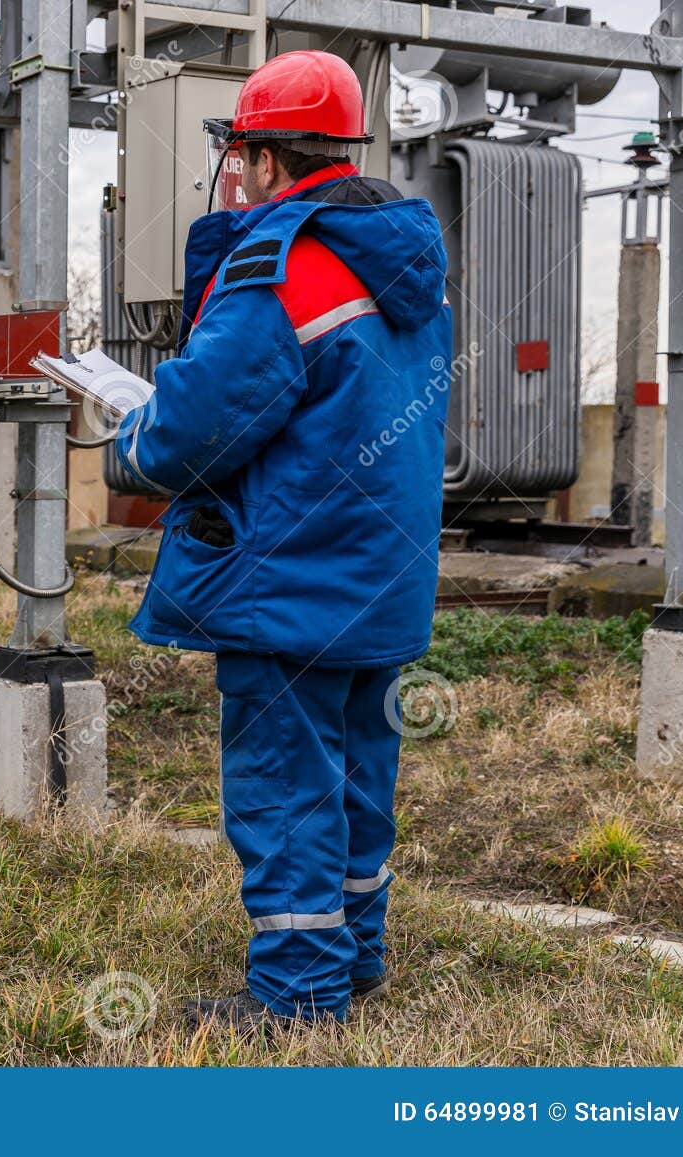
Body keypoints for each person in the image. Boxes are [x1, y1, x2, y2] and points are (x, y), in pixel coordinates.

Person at [113, 50, 452, 1031]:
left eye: (238, 154)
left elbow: (195, 426)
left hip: (293, 575)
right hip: (380, 576)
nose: (234, 174)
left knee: (286, 781)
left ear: (262, 158)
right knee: (358, 772)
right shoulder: (408, 267)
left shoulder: (278, 267)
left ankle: (299, 991)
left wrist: (130, 435)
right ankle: (356, 952)